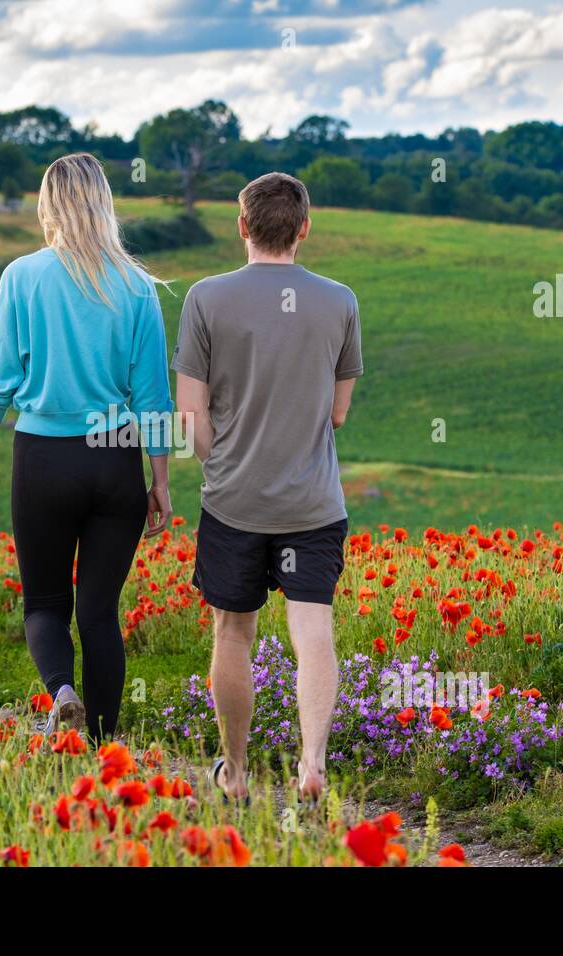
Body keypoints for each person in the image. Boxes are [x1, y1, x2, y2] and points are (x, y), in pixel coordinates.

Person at [0, 152, 172, 742]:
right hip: (115, 458)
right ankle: (107, 748)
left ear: (48, 205)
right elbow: (152, 395)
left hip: (44, 458)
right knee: (100, 612)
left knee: (45, 605)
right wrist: (158, 481)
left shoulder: (22, 277)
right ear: (104, 202)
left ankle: (61, 694)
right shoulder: (136, 285)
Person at [172, 172, 361, 800]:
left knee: (233, 632)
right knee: (313, 632)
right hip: (311, 502)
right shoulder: (340, 301)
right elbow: (337, 414)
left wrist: (220, 460)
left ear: (243, 226)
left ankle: (237, 772)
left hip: (234, 501)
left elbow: (190, 420)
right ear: (304, 228)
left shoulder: (205, 298)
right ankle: (312, 764)